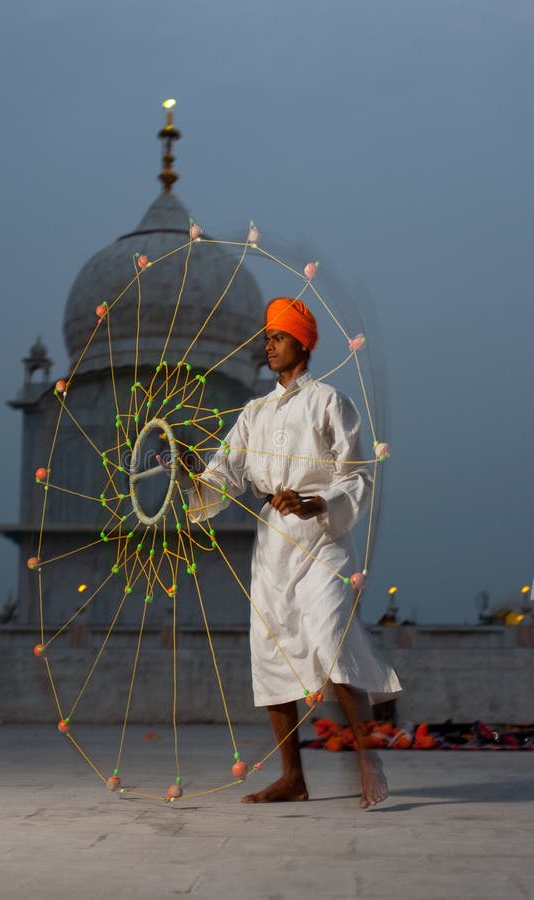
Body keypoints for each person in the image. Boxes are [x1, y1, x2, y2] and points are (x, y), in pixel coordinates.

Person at [186, 297, 401, 806]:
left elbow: (358, 474)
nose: (269, 346)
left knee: (331, 639)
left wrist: (315, 503)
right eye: (266, 338)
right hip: (273, 543)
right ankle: (293, 778)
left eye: (277, 337)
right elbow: (224, 475)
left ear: (301, 343)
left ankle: (370, 764)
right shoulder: (253, 412)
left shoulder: (329, 402)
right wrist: (190, 479)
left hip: (324, 539)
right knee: (272, 649)